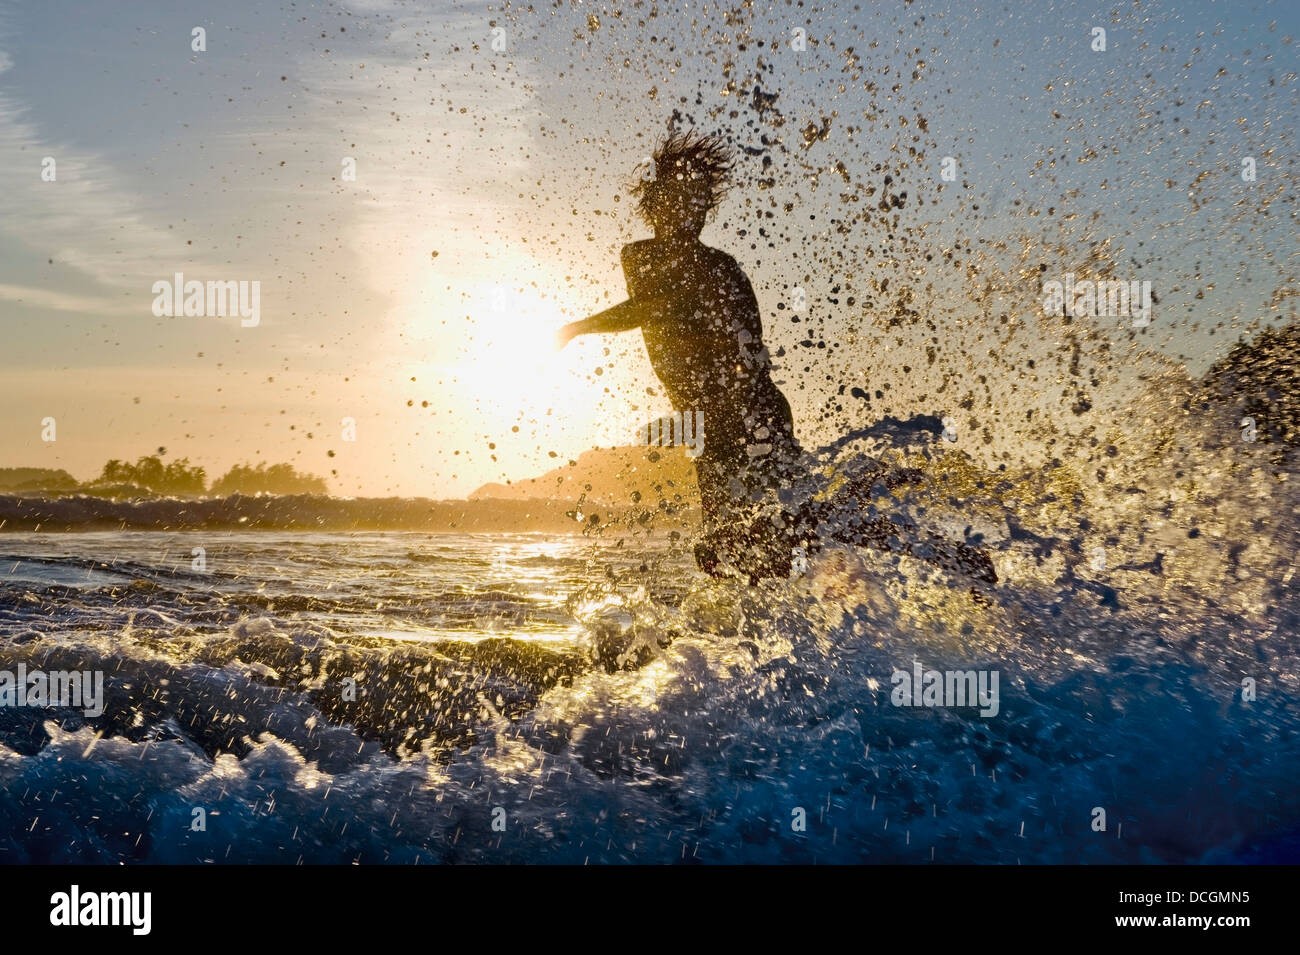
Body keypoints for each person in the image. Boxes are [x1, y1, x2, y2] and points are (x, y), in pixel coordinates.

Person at [557, 131, 996, 588]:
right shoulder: (643, 256)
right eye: (681, 198)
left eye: (701, 201)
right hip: (708, 424)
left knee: (758, 539)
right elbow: (660, 304)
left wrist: (575, 329)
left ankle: (938, 551)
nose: (693, 211)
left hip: (749, 414)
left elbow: (680, 319)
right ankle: (937, 553)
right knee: (750, 545)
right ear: (656, 202)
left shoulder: (722, 269)